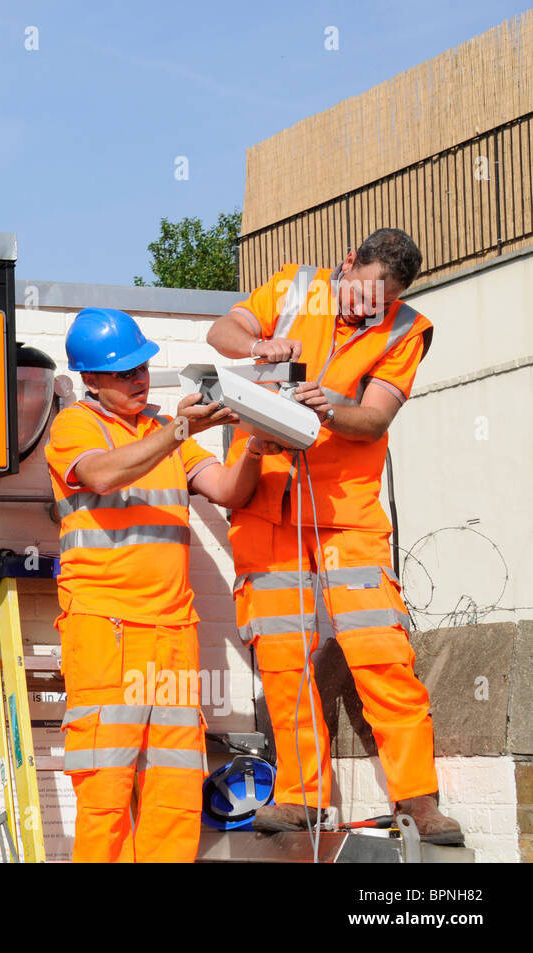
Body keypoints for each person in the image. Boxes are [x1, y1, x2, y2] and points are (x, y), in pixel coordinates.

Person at [205, 228, 463, 845]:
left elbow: (374, 419)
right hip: (267, 503)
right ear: (347, 263)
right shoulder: (295, 286)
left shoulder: (406, 329)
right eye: (359, 294)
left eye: (380, 303)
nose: (365, 310)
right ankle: (301, 798)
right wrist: (261, 343)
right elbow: (222, 330)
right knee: (282, 660)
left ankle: (417, 799)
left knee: (381, 651)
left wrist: (328, 410)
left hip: (346, 511)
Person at [46, 307, 277, 863]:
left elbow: (229, 491)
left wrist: (253, 446)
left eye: (143, 367)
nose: (139, 379)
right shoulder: (76, 425)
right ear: (91, 379)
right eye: (124, 372)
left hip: (173, 632)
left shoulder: (164, 432)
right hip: (106, 631)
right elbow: (101, 473)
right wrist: (180, 431)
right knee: (105, 787)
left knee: (174, 787)